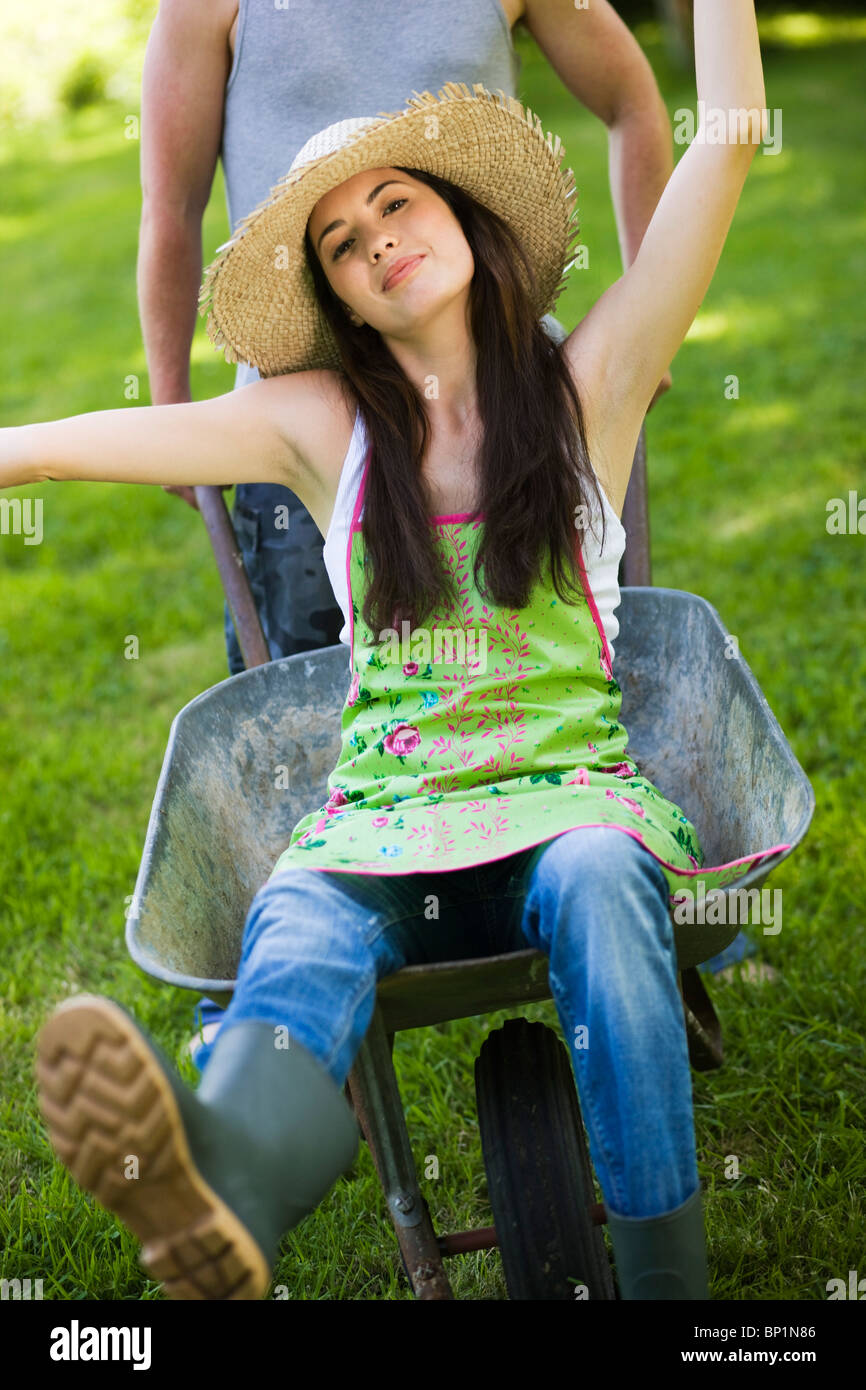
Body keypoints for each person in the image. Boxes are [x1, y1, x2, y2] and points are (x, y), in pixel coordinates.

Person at [5, 2, 779, 1302]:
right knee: (297, 915)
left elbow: (727, 142)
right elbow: (91, 439)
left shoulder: (589, 382)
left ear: (462, 216)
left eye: (394, 204)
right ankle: (229, 1177)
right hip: (386, 828)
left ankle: (665, 1285)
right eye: (342, 241)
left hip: (567, 810)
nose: (375, 241)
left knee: (598, 878)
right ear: (336, 295)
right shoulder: (315, 426)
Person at [136, 0, 697, 1062]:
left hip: (509, 409)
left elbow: (630, 103)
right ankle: (300, 1002)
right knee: (328, 720)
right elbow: (169, 209)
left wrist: (648, 317)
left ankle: (627, 923)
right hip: (314, 428)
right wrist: (180, 418)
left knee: (560, 687)